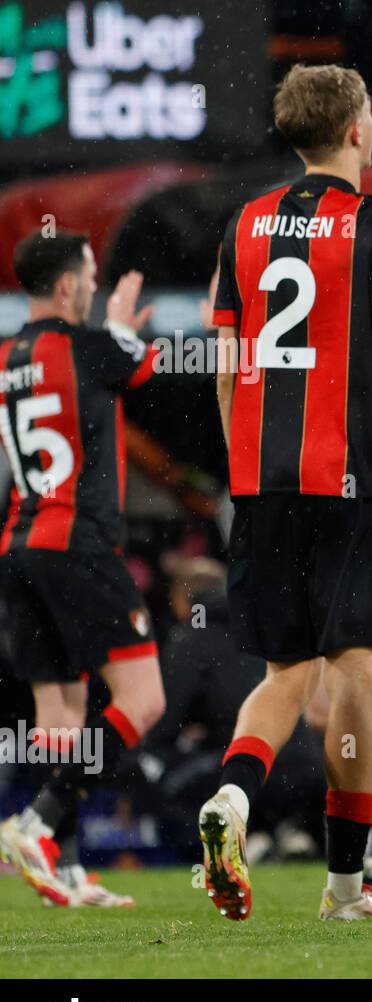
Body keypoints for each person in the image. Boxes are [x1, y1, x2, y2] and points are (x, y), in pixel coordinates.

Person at [199, 63, 372, 922]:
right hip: (353, 482)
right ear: (360, 129)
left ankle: (231, 794)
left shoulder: (246, 224)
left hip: (264, 479)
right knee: (359, 672)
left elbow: (224, 368)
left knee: (286, 668)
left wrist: (244, 468)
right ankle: (343, 887)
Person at [0, 231, 165, 908]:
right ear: (68, 286)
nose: (96, 285)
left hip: (18, 547)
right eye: (91, 276)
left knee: (59, 713)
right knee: (144, 697)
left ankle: (58, 866)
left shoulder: (8, 356)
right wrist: (122, 329)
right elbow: (141, 367)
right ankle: (36, 823)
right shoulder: (91, 348)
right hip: (79, 546)